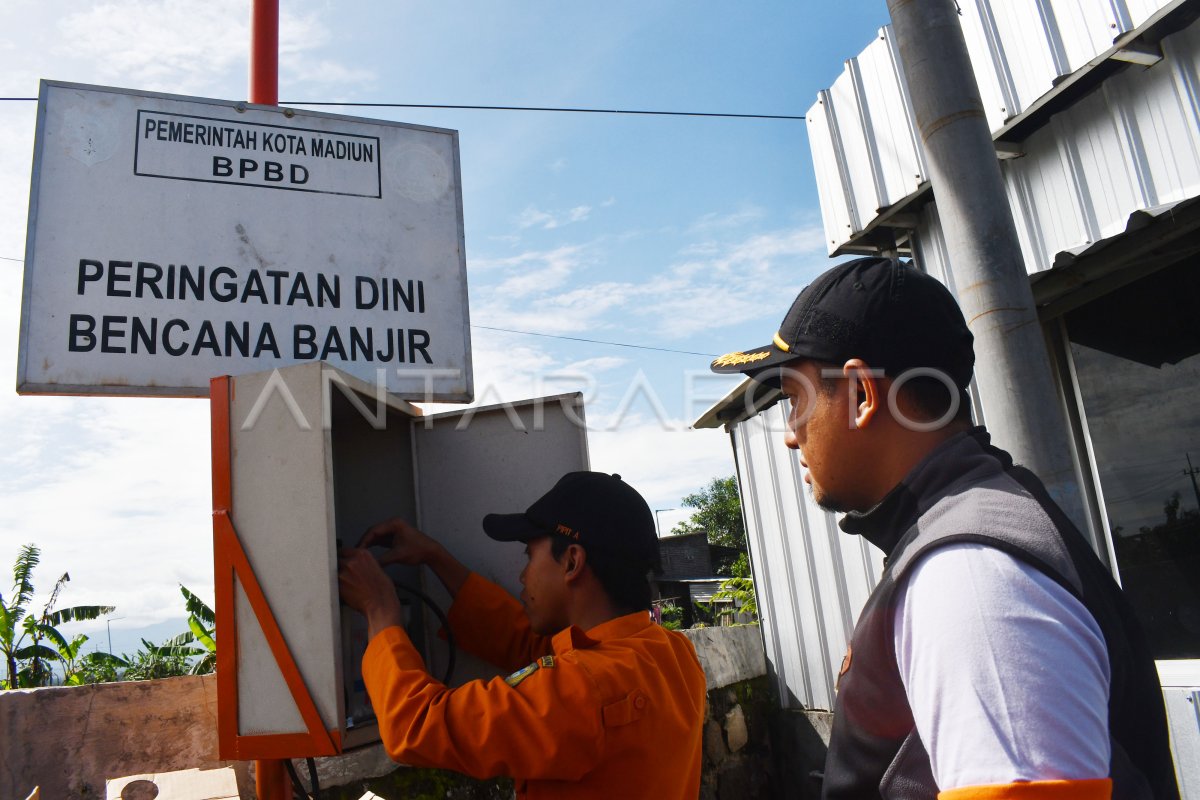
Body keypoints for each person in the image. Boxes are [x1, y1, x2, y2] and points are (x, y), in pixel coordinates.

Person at [711, 256, 1177, 799]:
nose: (791, 434)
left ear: (862, 394)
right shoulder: (978, 523)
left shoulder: (971, 578)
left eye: (794, 399)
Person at [337, 470, 706, 799]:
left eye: (530, 556)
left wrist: (379, 611)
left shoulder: (585, 688)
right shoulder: (672, 653)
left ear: (572, 562)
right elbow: (534, 650)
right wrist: (437, 558)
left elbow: (414, 724)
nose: (522, 575)